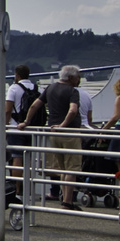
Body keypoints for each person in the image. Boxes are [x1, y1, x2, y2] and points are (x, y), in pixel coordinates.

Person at [22, 66, 86, 210]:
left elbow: (34, 106)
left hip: (53, 133)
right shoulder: (72, 91)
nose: (79, 80)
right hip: (69, 133)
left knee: (62, 168)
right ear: (70, 78)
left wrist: (26, 121)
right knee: (72, 168)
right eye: (78, 77)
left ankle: (64, 199)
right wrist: (63, 125)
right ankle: (67, 202)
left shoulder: (50, 88)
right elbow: (73, 110)